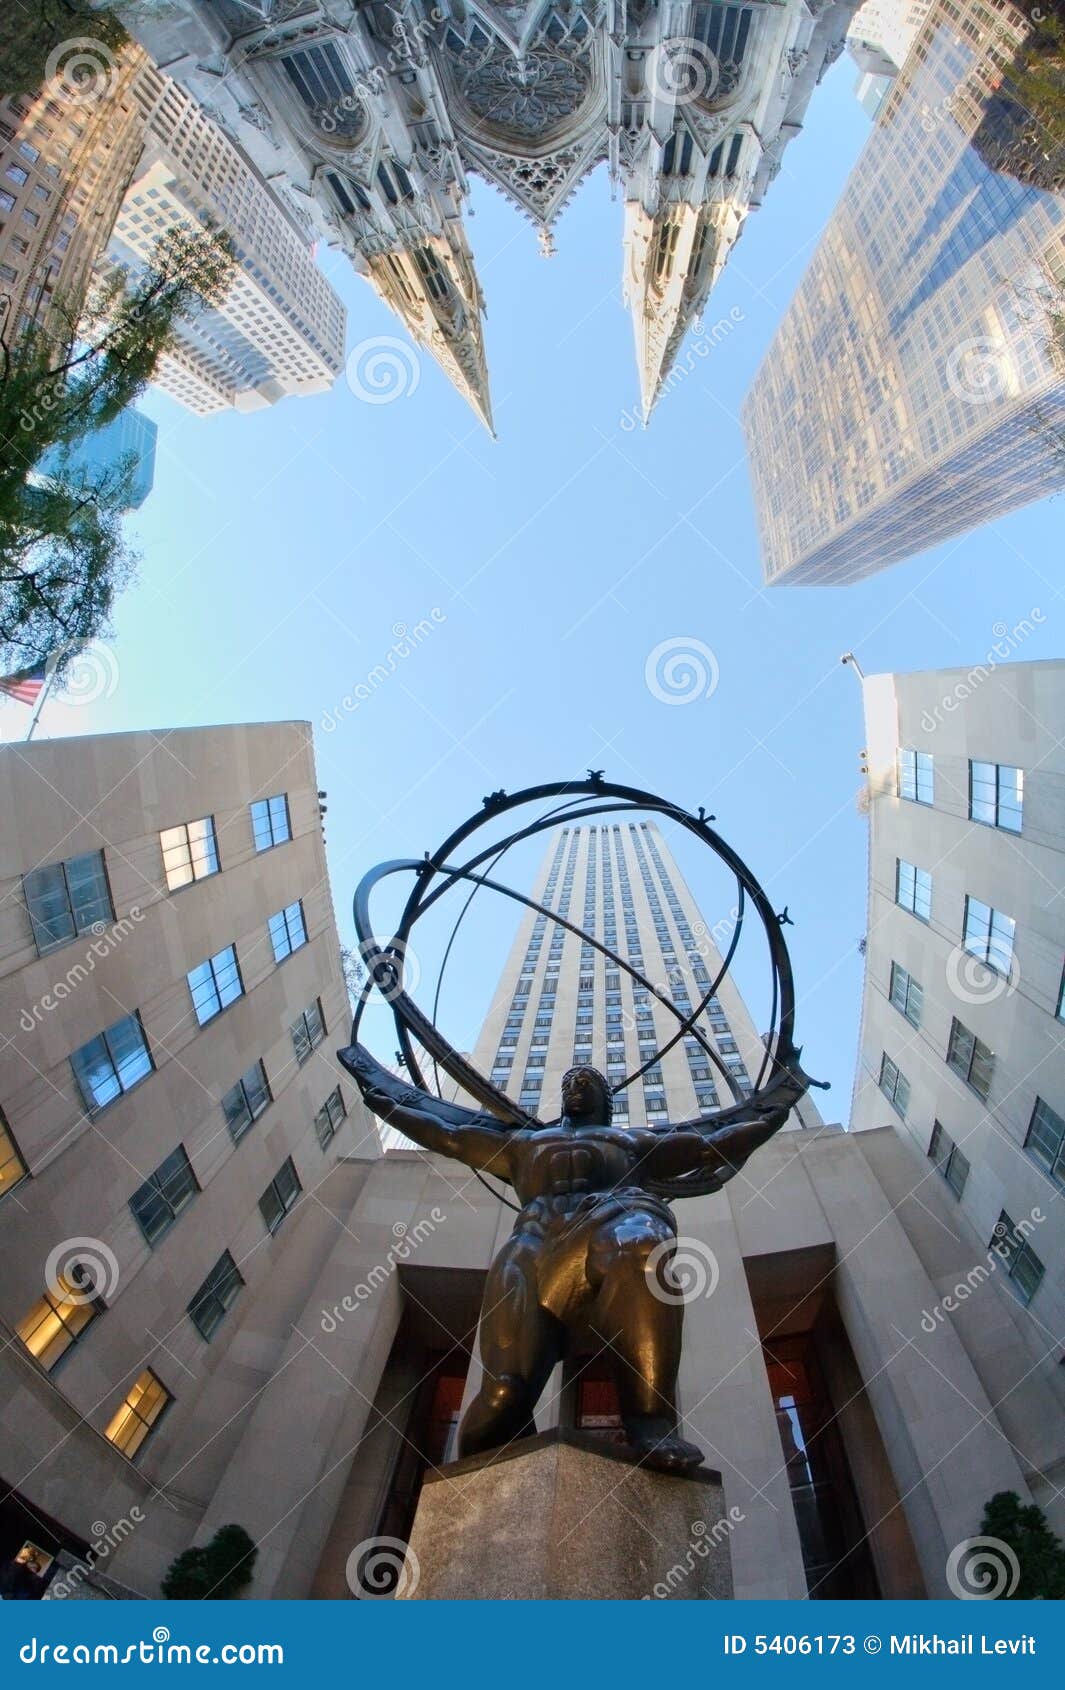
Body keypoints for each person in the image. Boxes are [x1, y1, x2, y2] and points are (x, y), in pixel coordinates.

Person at [340, 1043, 804, 1472]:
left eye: (585, 1081)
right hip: (532, 1248)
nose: (573, 1086)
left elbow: (714, 1141)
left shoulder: (633, 1142)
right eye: (568, 1083)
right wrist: (380, 1094)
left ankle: (649, 1422)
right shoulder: (523, 1144)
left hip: (608, 1223)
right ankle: (483, 1482)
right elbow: (449, 1135)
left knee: (640, 1247)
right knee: (503, 1396)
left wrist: (782, 1099)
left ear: (607, 1098)